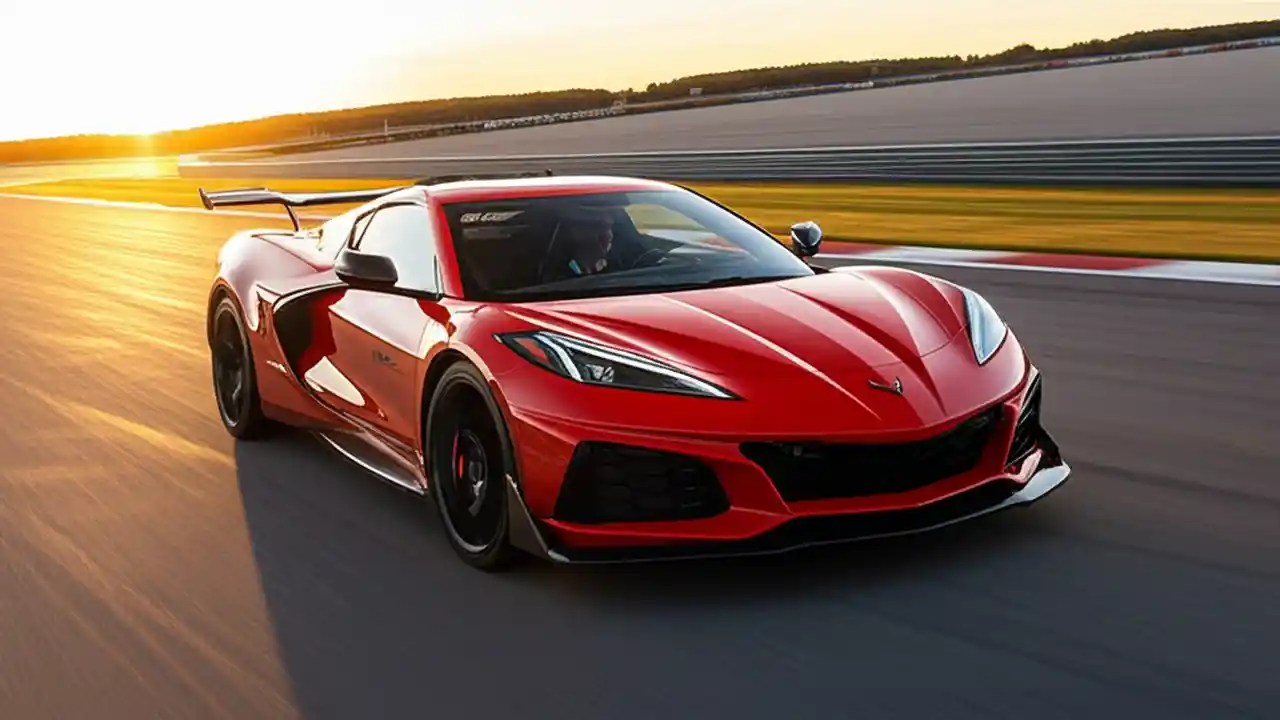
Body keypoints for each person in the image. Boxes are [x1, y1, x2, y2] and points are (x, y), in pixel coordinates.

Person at [544, 206, 615, 280]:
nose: (610, 235)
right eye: (602, 227)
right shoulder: (559, 278)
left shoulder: (617, 272)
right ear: (578, 232)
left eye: (610, 228)